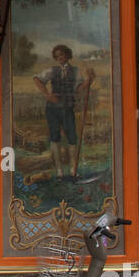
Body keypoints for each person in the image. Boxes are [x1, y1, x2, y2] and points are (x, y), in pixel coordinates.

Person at [33, 44, 95, 179]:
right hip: (52, 109)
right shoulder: (52, 70)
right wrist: (47, 95)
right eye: (57, 56)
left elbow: (78, 89)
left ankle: (73, 169)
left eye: (62, 54)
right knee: (55, 138)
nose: (60, 57)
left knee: (72, 138)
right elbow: (37, 79)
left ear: (67, 55)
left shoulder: (76, 71)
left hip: (67, 108)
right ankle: (60, 171)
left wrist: (89, 81)